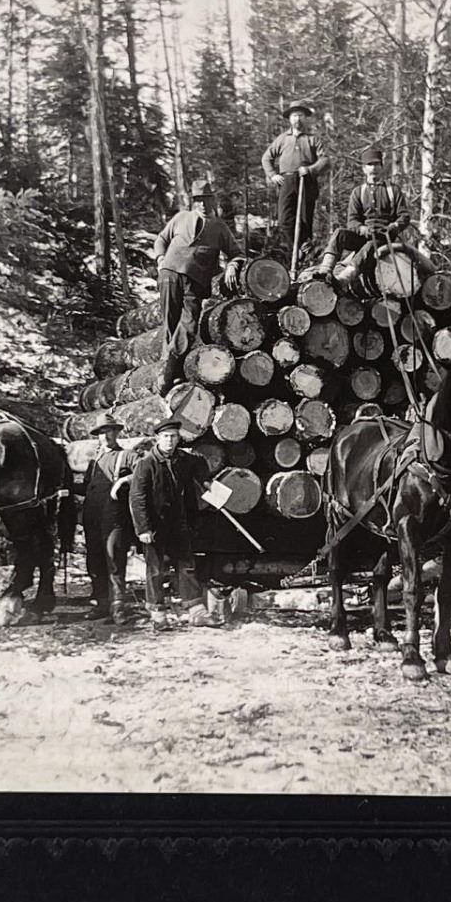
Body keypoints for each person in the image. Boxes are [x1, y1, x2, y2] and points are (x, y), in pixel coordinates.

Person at [151, 178, 241, 392]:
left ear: (213, 201)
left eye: (206, 200)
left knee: (189, 325)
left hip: (195, 281)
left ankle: (169, 368)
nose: (202, 204)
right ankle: (169, 373)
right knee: (170, 323)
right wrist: (160, 259)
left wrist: (232, 266)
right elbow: (161, 239)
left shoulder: (219, 227)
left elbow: (237, 253)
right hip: (169, 274)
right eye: (197, 200)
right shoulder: (181, 218)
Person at [128, 417, 212, 623]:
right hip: (156, 526)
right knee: (156, 569)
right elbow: (138, 498)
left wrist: (206, 481)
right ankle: (158, 613)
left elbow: (199, 463)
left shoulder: (183, 460)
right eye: (166, 437)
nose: (170, 441)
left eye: (174, 437)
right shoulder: (147, 464)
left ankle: (196, 611)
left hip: (179, 524)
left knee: (186, 565)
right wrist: (144, 528)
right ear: (157, 438)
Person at [317, 145, 415, 287]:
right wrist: (362, 229)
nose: (373, 168)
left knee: (370, 246)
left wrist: (394, 226)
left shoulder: (392, 190)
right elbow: (352, 221)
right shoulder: (359, 192)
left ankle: (343, 279)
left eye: (376, 164)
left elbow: (404, 216)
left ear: (382, 167)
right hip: (364, 235)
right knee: (339, 234)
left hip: (384, 239)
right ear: (364, 169)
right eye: (369, 165)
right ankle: (324, 272)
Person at [79, 413, 137, 622]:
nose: (105, 437)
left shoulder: (127, 455)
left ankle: (118, 606)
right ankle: (100, 603)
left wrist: (124, 481)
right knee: (94, 561)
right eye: (101, 433)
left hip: (114, 517)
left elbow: (145, 473)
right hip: (92, 516)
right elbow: (86, 487)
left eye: (109, 431)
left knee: (114, 560)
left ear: (117, 432)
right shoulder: (95, 461)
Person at [260, 101, 330, 264]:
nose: (297, 119)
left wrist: (311, 169)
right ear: (289, 119)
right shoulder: (283, 139)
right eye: (294, 115)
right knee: (285, 219)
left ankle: (305, 255)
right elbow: (266, 158)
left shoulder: (312, 139)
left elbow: (325, 160)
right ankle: (297, 249)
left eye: (300, 115)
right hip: (287, 181)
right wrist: (273, 175)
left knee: (305, 220)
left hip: (306, 181)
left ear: (306, 119)